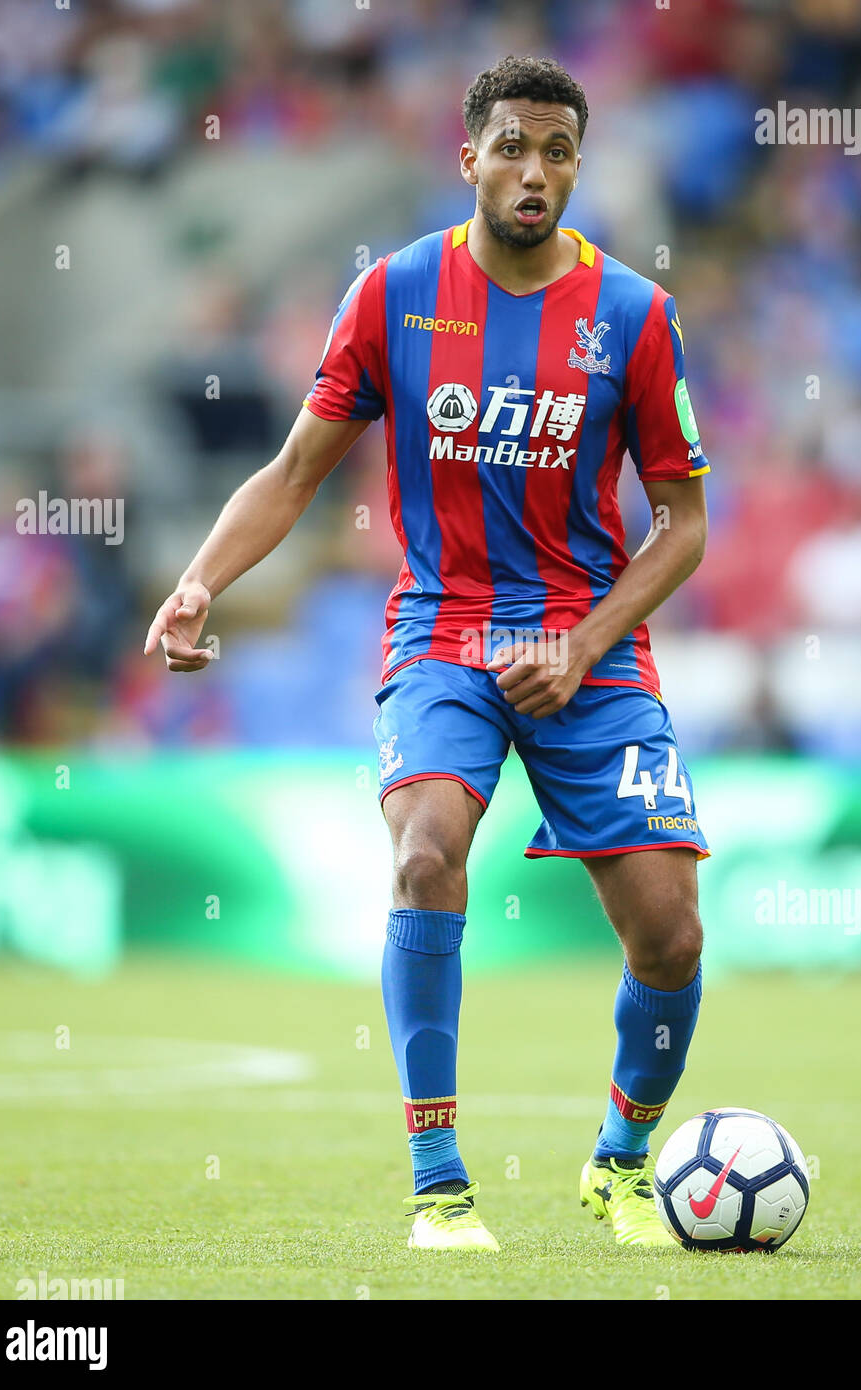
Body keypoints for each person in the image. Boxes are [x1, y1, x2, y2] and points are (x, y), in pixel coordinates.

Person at [145, 55, 711, 1252]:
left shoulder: (633, 317)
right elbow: (295, 472)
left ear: (576, 167)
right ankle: (439, 1181)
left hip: (589, 647)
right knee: (423, 855)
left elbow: (685, 522)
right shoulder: (395, 294)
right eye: (511, 145)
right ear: (469, 157)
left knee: (668, 932)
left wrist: (582, 641)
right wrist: (199, 580)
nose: (533, 170)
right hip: (445, 630)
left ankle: (618, 1162)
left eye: (557, 150)